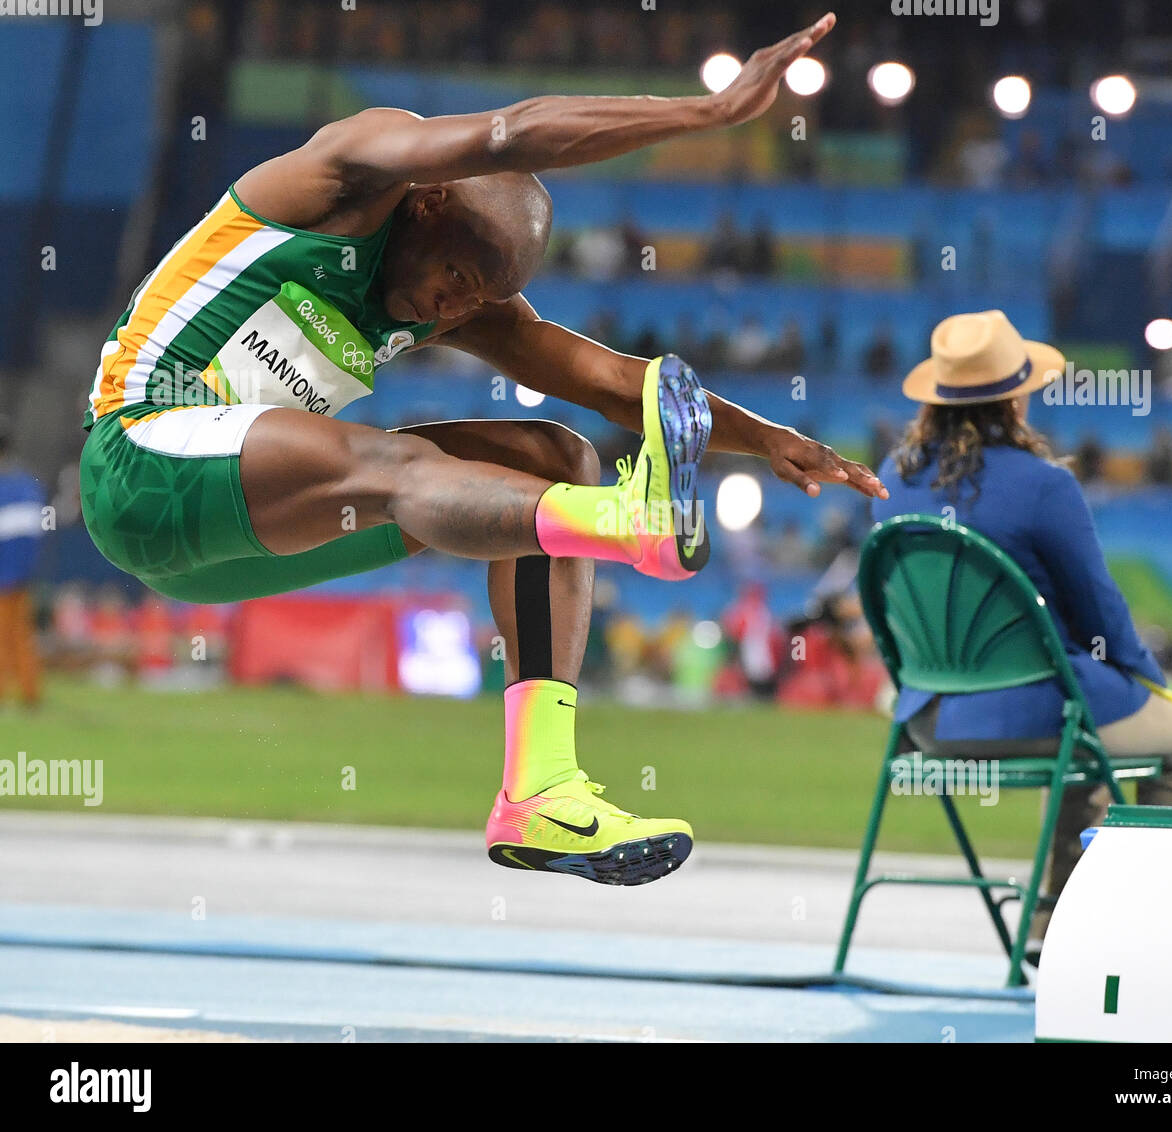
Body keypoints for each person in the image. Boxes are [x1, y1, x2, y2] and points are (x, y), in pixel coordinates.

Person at [79, 14, 885, 888]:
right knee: (394, 468)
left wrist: (770, 440)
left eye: (475, 305)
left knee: (555, 454)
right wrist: (704, 113)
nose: (446, 317)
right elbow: (518, 130)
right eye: (456, 283)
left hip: (236, 548)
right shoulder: (346, 173)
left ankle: (540, 791)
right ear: (430, 198)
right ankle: (629, 522)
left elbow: (617, 382)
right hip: (139, 466)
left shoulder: (459, 297)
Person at [872, 310, 1172, 945]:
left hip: (927, 724)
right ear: (1015, 397)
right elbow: (1100, 613)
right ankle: (1141, 933)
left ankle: (1051, 928)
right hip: (1033, 719)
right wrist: (1149, 681)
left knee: (1081, 737)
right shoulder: (1044, 487)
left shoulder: (890, 482)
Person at [0, 416, 45, 708]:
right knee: (22, 636)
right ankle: (29, 693)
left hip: (5, 574)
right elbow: (36, 533)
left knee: (5, 637)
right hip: (23, 575)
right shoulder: (28, 486)